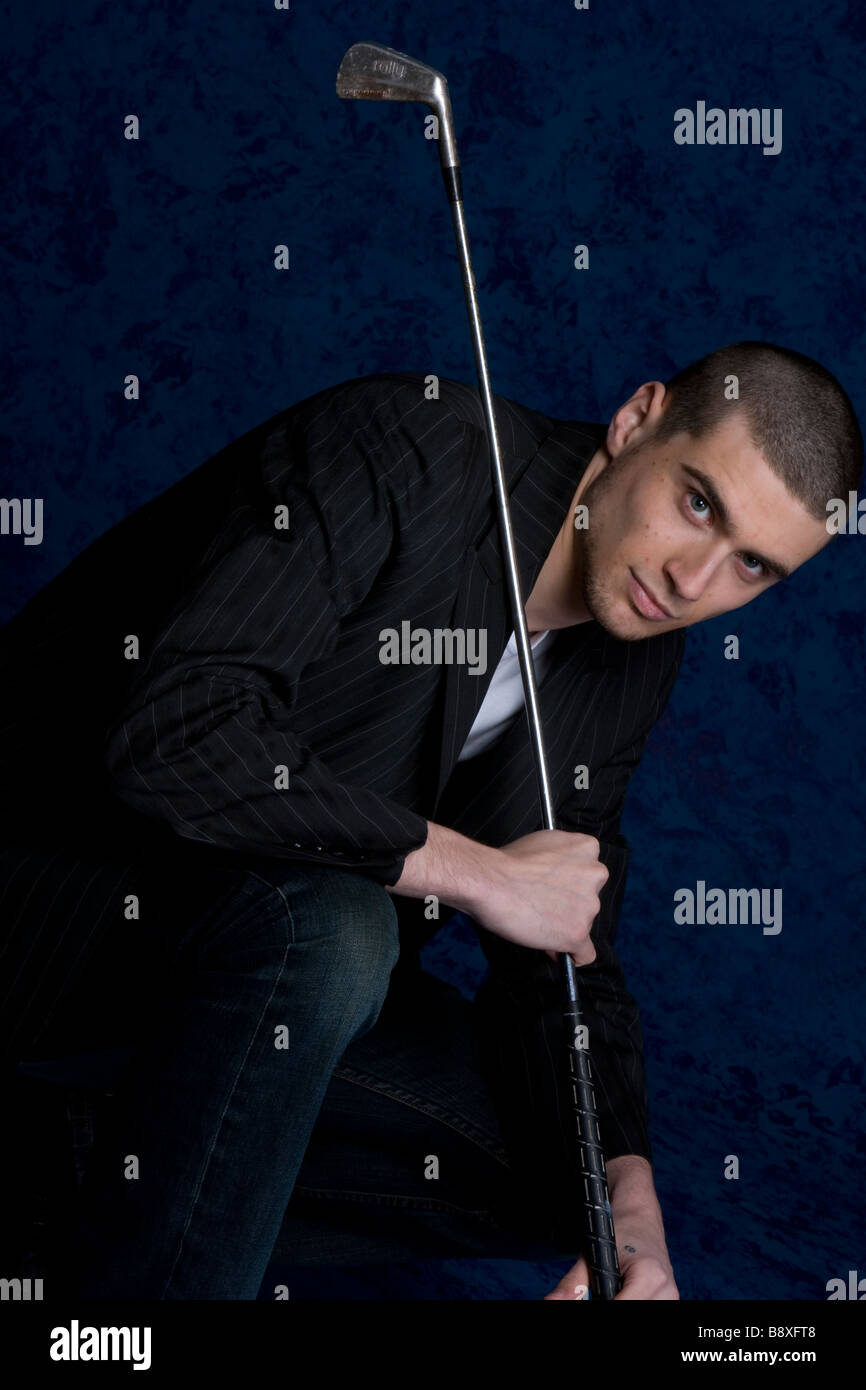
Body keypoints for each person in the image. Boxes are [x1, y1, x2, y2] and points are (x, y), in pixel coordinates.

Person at [0, 340, 859, 1301]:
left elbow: (567, 945)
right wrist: (477, 874)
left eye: (752, 565)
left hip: (207, 1017)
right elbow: (173, 733)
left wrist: (630, 1201)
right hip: (52, 918)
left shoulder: (633, 654)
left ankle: (61, 1175)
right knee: (338, 931)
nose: (696, 582)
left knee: (562, 1163)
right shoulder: (413, 445)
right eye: (698, 502)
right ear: (637, 421)